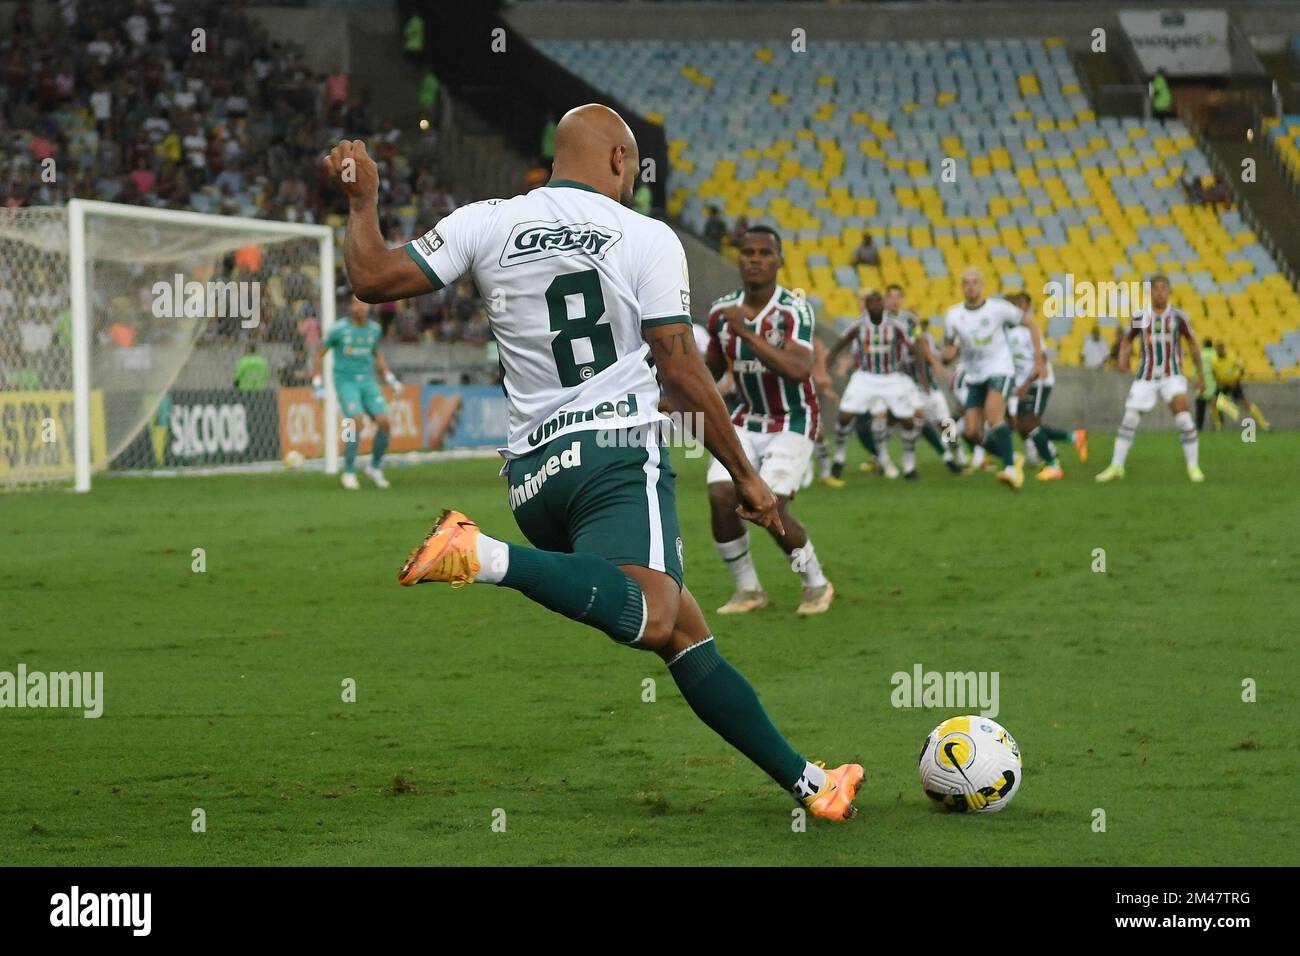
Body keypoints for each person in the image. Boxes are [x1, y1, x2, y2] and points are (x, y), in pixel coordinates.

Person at [323, 104, 863, 820]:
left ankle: (810, 785)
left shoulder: (487, 219)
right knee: (654, 612)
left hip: (533, 476)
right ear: (619, 162)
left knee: (684, 630)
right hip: (613, 455)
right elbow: (678, 366)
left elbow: (373, 276)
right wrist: (748, 475)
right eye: (636, 167)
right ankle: (480, 555)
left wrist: (364, 201)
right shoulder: (643, 235)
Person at [704, 226, 834, 616]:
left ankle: (816, 583)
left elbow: (798, 368)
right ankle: (748, 590)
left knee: (768, 508)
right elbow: (710, 366)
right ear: (738, 258)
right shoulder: (719, 311)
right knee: (720, 495)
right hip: (746, 417)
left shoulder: (794, 310)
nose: (755, 259)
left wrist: (745, 331)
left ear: (778, 261)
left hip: (793, 420)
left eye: (764, 253)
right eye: (747, 252)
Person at [941, 268, 1046, 490]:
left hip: (1000, 369)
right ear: (962, 287)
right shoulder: (953, 315)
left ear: (982, 285)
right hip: (974, 375)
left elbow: (1032, 325)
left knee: (993, 414)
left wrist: (1039, 360)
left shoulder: (998, 309)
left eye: (975, 282)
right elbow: (948, 347)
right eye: (966, 283)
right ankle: (1010, 456)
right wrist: (947, 355)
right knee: (970, 432)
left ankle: (1009, 469)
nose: (971, 287)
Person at [1096, 276, 1206, 483]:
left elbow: (1192, 343)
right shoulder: (1140, 316)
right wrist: (1122, 360)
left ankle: (1194, 467)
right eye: (1156, 289)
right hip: (1145, 376)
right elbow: (1127, 339)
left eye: (1164, 289)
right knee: (1129, 418)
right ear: (1151, 292)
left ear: (1169, 292)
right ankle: (1116, 466)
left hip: (1171, 374)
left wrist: (1201, 374)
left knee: (1183, 417)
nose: (1160, 293)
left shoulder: (1178, 317)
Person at [827, 288, 931, 481]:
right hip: (865, 377)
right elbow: (839, 344)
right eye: (870, 302)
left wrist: (922, 377)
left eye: (877, 301)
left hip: (892, 378)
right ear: (866, 305)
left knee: (914, 420)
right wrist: (827, 365)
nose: (874, 305)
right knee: (844, 416)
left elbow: (916, 347)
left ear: (882, 304)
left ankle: (912, 465)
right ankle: (840, 459)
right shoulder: (858, 325)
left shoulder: (897, 325)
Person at [311, 295, 400, 490]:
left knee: (384, 422)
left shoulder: (375, 329)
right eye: (356, 303)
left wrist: (389, 377)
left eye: (364, 304)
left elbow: (376, 354)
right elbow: (319, 353)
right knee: (354, 421)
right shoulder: (338, 329)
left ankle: (375, 467)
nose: (361, 307)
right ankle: (349, 470)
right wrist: (317, 382)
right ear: (350, 306)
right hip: (346, 382)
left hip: (367, 381)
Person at [1005, 292, 1087, 480]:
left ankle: (1052, 464)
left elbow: (1041, 360)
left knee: (1029, 423)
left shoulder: (1027, 330)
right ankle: (1074, 438)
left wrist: (1027, 383)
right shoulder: (1006, 332)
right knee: (1023, 425)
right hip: (1022, 384)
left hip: (1038, 381)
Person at [1212, 340, 1269, 430]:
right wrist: (1219, 381)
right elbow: (1214, 373)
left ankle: (1264, 424)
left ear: (1223, 348)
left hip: (1234, 384)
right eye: (1217, 348)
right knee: (1214, 402)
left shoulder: (1232, 356)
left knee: (1246, 403)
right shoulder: (1214, 361)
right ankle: (1218, 426)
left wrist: (1236, 378)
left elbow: (1242, 368)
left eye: (1221, 347)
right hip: (1223, 384)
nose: (1219, 349)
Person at [1195, 337, 1218, 430]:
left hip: (1202, 383)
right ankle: (1217, 425)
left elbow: (1195, 370)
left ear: (1204, 345)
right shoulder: (1215, 355)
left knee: (1200, 408)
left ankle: (1199, 427)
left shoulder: (1200, 354)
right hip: (1213, 384)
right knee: (1214, 407)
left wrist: (1197, 382)